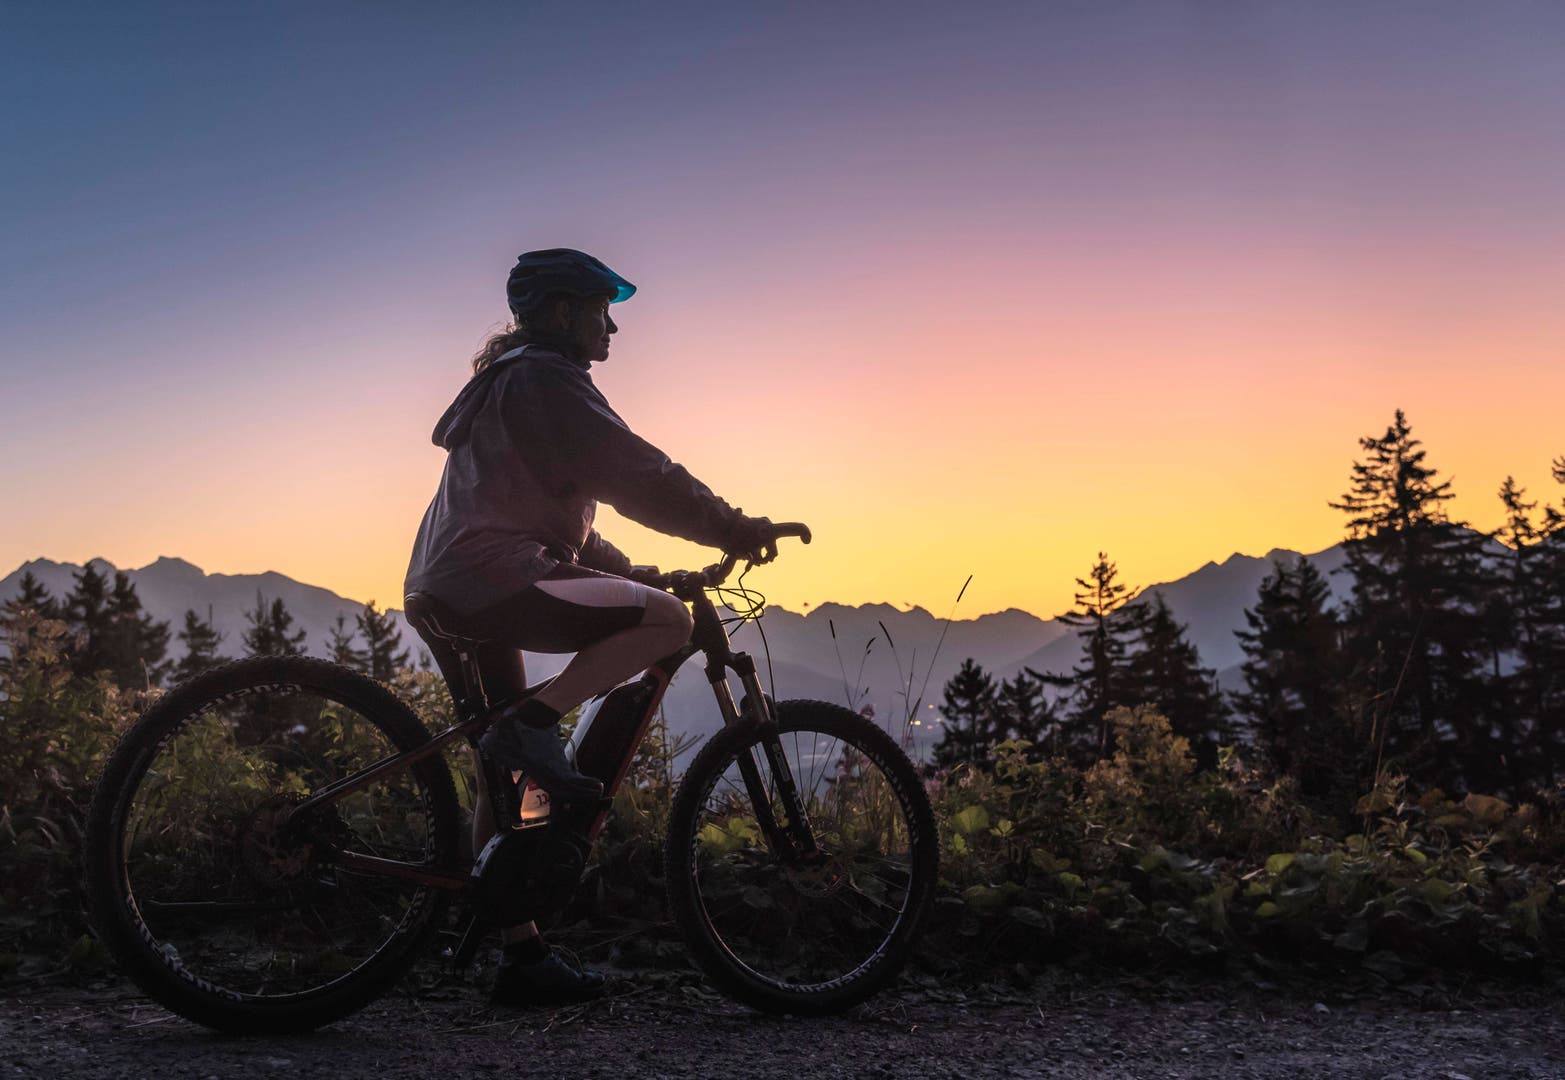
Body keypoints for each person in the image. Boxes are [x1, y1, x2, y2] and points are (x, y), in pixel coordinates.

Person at [404, 248, 781, 1008]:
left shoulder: (506, 384)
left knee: (504, 771)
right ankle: (540, 719)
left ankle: (521, 956)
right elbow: (635, 472)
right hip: (494, 575)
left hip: (446, 583)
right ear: (563, 311)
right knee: (668, 624)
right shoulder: (547, 376)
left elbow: (564, 533)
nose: (611, 326)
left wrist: (637, 576)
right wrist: (729, 529)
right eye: (601, 308)